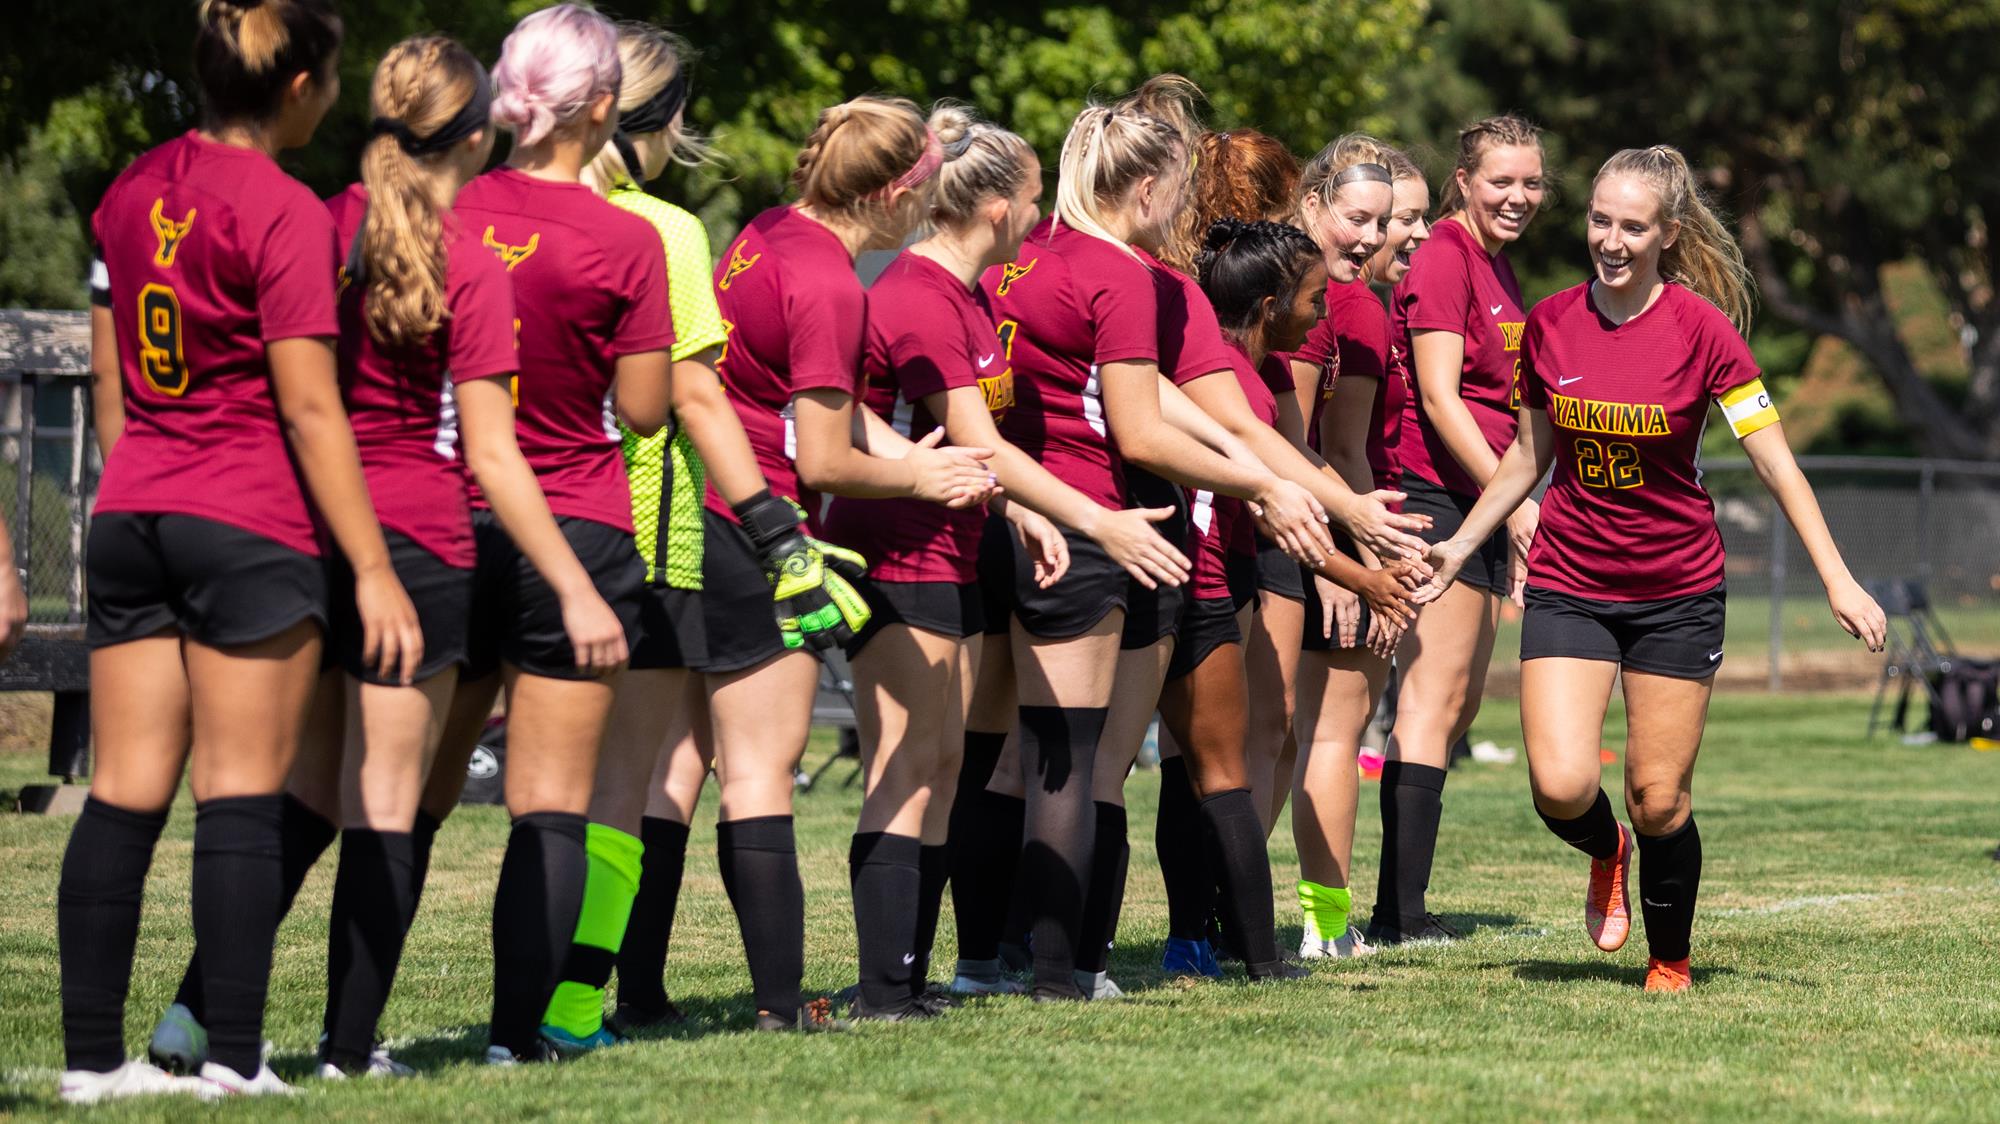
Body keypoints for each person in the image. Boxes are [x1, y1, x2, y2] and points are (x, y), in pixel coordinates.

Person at [59, 0, 424, 1101]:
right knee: (237, 798)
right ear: (301, 86)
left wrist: (149, 481)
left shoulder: (132, 185)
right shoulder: (287, 207)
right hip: (244, 517)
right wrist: (368, 567)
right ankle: (233, 1060)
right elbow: (312, 410)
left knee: (121, 793)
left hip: (130, 511)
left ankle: (89, 1068)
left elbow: (114, 387)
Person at [1415, 145, 1886, 991]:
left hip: (1677, 592)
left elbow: (1779, 465)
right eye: (1601, 220)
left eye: (1633, 226)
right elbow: (1528, 455)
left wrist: (1838, 578)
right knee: (1561, 786)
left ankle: (1670, 959)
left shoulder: (1705, 331)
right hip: (1569, 578)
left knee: (1659, 796)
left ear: (1669, 233)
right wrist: (1462, 542)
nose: (1613, 240)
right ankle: (1608, 851)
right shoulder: (1551, 321)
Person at [820, 103, 1186, 1018]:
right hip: (909, 554)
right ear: (994, 209)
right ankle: (958, 980)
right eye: (1030, 200)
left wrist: (1023, 512)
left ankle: (941, 972)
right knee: (976, 761)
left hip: (970, 541)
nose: (1039, 216)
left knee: (957, 761)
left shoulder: (974, 294)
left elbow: (973, 446)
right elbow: (979, 442)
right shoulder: (915, 294)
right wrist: (1098, 520)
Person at [410, 3, 671, 1065]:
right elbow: (646, 408)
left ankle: (339, 1020)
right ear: (602, 103)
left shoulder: (448, 210)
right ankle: (519, 1035)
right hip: (577, 514)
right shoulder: (627, 235)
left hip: (448, 511)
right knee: (550, 804)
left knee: (408, 794)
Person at [705, 93, 997, 1030]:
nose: (928, 202)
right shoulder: (829, 284)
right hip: (759, 522)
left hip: (713, 507)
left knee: (683, 769)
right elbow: (825, 458)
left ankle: (635, 996)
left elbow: (794, 394)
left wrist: (919, 457)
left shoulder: (770, 229)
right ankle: (785, 1006)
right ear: (886, 192)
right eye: (922, 185)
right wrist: (925, 482)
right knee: (764, 767)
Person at [533, 21, 795, 1052]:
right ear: (650, 117)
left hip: (507, 519)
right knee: (620, 792)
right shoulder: (662, 231)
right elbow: (687, 394)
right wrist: (775, 529)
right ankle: (568, 1005)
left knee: (523, 789)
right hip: (639, 533)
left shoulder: (501, 211)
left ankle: (501, 1010)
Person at [1370, 115, 1546, 947]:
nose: (1519, 196)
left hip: (1474, 500)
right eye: (1502, 181)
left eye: (1533, 182)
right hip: (1433, 496)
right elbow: (1441, 399)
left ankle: (1406, 904)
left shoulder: (1495, 265)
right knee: (1431, 703)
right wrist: (1511, 508)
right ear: (1464, 182)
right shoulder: (1444, 255)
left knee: (1458, 701)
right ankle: (1396, 914)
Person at [1289, 147, 1431, 958]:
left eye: (1402, 218)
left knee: (1288, 738)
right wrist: (1356, 565)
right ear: (1317, 204)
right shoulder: (1351, 306)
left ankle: (1250, 918)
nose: (1399, 236)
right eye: (1382, 219)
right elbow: (1328, 447)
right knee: (1332, 734)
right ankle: (1329, 925)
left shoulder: (1339, 296)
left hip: (1316, 532)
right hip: (1336, 537)